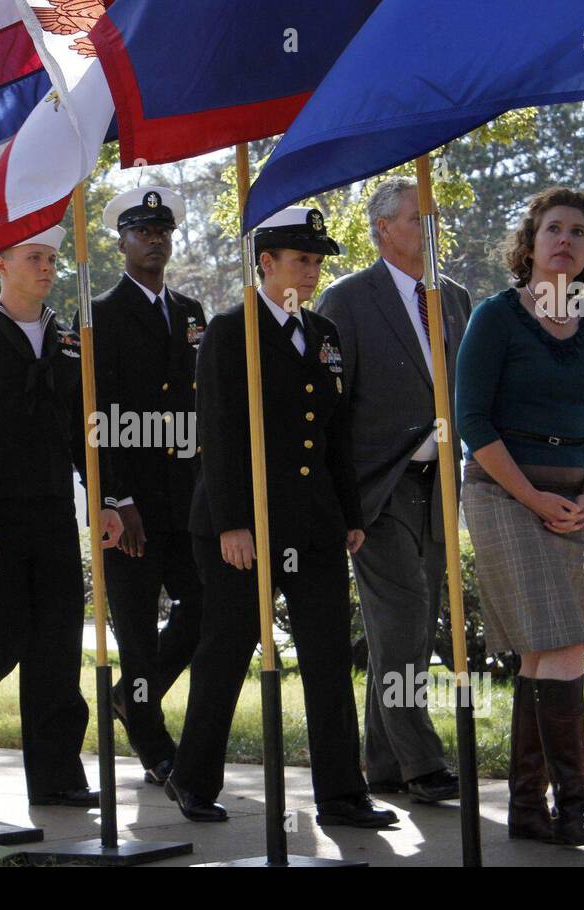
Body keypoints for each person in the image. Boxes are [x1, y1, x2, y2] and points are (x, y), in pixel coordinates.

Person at [165, 206, 397, 829]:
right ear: (265, 264)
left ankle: (342, 795)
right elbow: (217, 430)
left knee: (326, 656)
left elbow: (335, 432)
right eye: (301, 259)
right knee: (227, 648)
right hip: (244, 523)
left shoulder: (322, 333)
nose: (312, 271)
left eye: (318, 261)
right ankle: (192, 779)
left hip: (315, 521)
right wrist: (234, 523)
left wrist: (349, 512)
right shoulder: (229, 330)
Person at [0, 226, 124, 807]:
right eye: (33, 257)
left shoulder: (69, 340)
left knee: (57, 644)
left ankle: (57, 777)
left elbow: (87, 431)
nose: (45, 268)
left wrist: (104, 497)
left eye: (52, 258)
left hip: (54, 514)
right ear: (1, 264)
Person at [456, 187, 584, 846]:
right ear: (529, 244)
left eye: (578, 232)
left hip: (573, 501)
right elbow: (471, 418)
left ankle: (528, 807)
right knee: (564, 644)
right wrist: (532, 497)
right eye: (553, 228)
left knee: (542, 653)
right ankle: (576, 804)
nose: (565, 240)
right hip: (503, 495)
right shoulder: (496, 317)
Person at [314, 176, 468, 804]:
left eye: (434, 218)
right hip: (376, 490)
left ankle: (383, 763)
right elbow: (323, 408)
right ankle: (423, 761)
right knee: (403, 620)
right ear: (382, 229)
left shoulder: (455, 298)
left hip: (440, 488)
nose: (429, 229)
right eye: (416, 218)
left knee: (410, 626)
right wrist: (337, 499)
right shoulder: (346, 300)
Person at [85, 186, 205, 787]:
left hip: (185, 499)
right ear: (121, 241)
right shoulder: (99, 315)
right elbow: (95, 416)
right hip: (128, 501)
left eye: (162, 230)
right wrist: (115, 498)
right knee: (134, 629)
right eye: (142, 230)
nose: (155, 239)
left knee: (206, 605)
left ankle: (134, 699)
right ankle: (152, 740)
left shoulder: (191, 313)